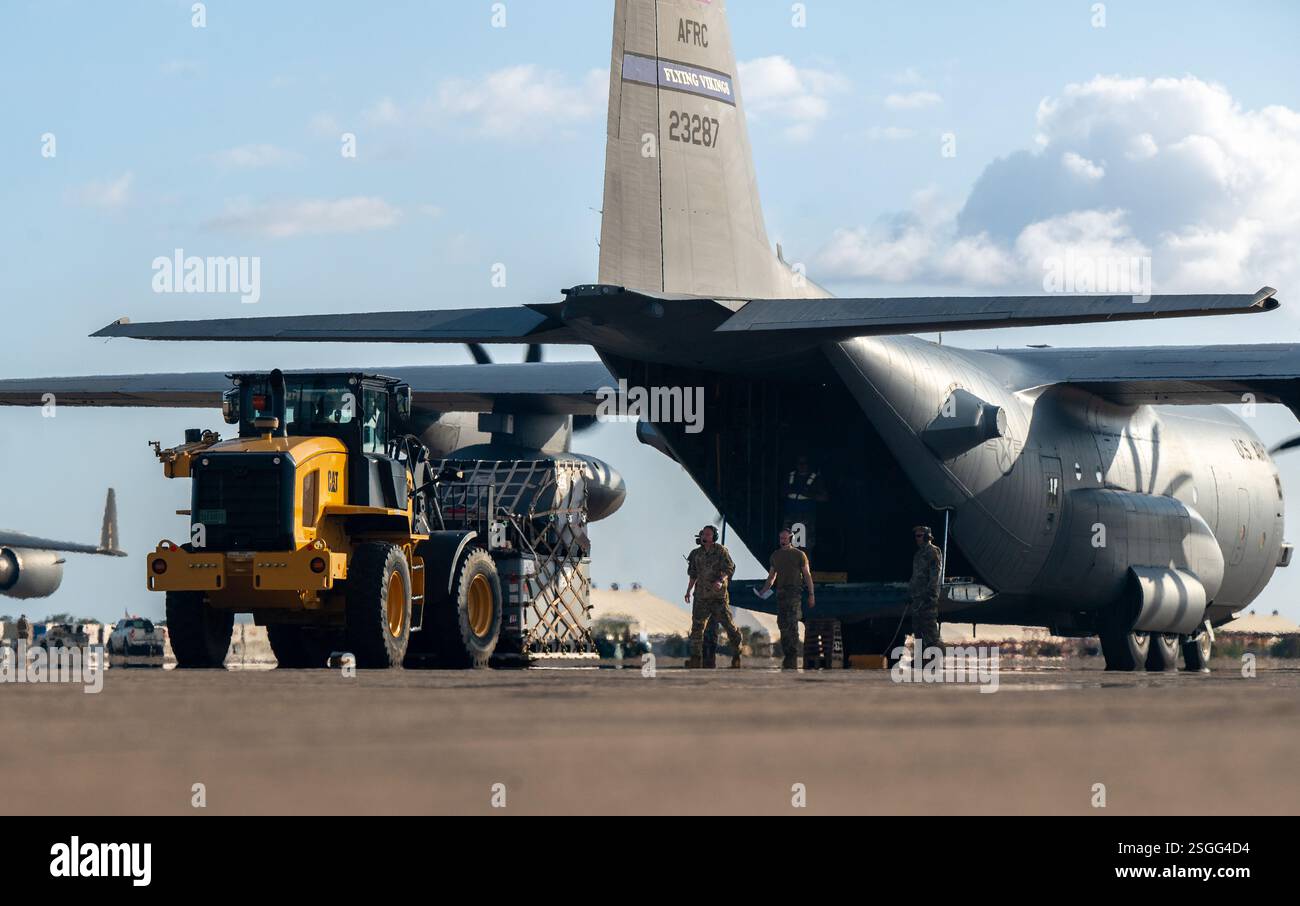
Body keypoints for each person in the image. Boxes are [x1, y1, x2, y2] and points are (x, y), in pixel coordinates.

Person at [685, 525, 743, 669]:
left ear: (714, 537)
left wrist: (721, 580)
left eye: (709, 534)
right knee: (697, 629)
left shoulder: (721, 551)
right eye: (704, 534)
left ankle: (737, 653)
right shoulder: (695, 554)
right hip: (701, 597)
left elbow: (730, 568)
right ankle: (695, 659)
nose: (705, 537)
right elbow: (693, 574)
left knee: (729, 627)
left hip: (718, 598)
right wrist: (688, 591)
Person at [758, 529, 816, 669]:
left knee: (792, 623)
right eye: (780, 538)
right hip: (781, 593)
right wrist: (763, 590)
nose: (782, 540)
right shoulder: (775, 556)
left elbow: (807, 575)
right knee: (782, 624)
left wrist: (811, 594)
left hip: (794, 593)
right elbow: (772, 577)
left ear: (790, 538)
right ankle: (788, 653)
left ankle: (793, 654)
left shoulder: (799, 555)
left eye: (784, 538)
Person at [909, 525, 943, 654]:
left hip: (927, 598)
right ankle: (919, 658)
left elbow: (935, 576)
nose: (917, 539)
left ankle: (933, 659)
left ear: (927, 537)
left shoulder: (933, 551)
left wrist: (930, 594)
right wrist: (911, 592)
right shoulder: (918, 554)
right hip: (917, 598)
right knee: (918, 629)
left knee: (929, 629)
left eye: (919, 536)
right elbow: (916, 576)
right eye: (916, 536)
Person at [782, 455, 828, 550]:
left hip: (805, 518)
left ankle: (804, 564)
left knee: (804, 547)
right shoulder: (790, 476)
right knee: (788, 546)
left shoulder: (815, 478)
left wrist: (808, 494)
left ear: (809, 465)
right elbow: (781, 493)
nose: (802, 466)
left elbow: (824, 497)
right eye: (799, 463)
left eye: (804, 463)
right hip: (790, 517)